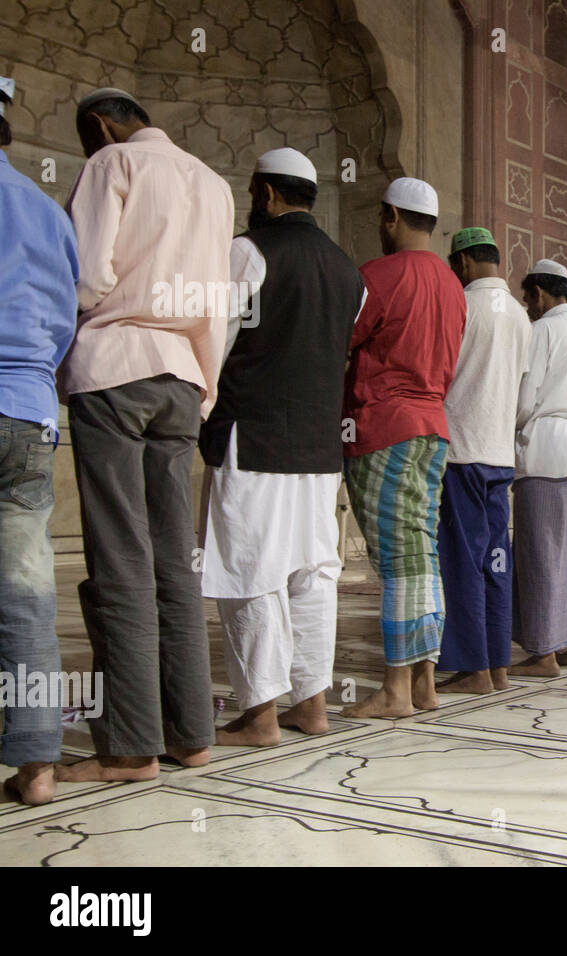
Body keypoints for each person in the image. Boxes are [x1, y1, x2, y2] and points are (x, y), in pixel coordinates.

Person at [58, 88, 234, 783]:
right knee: (174, 562)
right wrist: (204, 387)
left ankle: (130, 748)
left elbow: (87, 276)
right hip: (182, 381)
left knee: (120, 560)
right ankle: (190, 733)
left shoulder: (113, 166)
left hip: (115, 368)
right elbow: (216, 307)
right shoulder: (214, 184)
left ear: (101, 127)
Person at [199, 148, 365, 745]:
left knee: (252, 569)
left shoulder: (248, 252)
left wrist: (199, 415)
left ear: (266, 194)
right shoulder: (350, 272)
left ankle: (261, 715)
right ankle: (312, 706)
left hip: (256, 438)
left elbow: (212, 344)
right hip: (320, 450)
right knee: (313, 575)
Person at [341, 178, 466, 715]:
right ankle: (425, 684)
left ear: (391, 216)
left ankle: (395, 689)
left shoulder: (379, 275)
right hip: (433, 426)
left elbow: (341, 341)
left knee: (398, 559)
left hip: (384, 425)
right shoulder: (452, 285)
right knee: (421, 552)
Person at [0, 76, 79, 804]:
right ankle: (37, 765)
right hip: (27, 413)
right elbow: (65, 318)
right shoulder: (46, 210)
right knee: (25, 590)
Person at [436, 227, 531, 695]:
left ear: (466, 261)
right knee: (496, 559)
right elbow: (524, 391)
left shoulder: (462, 306)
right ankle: (498, 665)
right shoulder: (519, 315)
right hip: (499, 454)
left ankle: (472, 668)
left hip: (462, 452)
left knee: (462, 561)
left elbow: (442, 373)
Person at [509, 259, 567, 673]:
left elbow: (525, 398)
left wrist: (508, 425)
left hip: (544, 448)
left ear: (542, 294)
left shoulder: (542, 330)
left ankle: (544, 651)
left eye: (529, 297)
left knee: (540, 553)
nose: (528, 306)